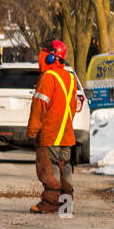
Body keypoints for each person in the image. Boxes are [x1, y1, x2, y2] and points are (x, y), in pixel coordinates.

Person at [26, 39, 79, 214]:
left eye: (43, 53)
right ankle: (66, 204)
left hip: (50, 133)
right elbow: (72, 106)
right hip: (66, 134)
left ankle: (49, 203)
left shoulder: (48, 77)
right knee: (65, 168)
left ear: (50, 57)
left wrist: (32, 129)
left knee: (48, 169)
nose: (39, 57)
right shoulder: (70, 78)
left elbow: (39, 106)